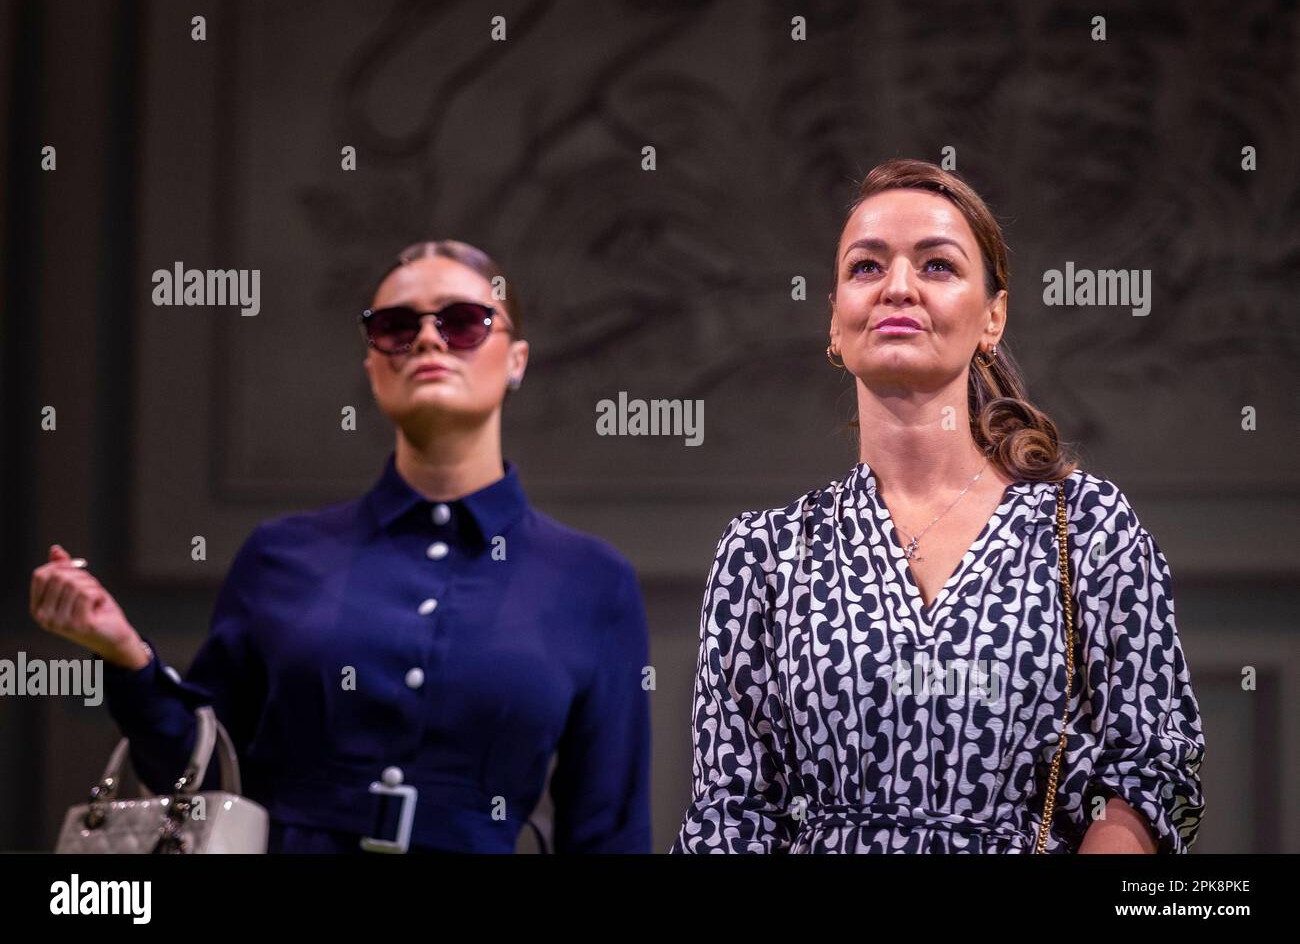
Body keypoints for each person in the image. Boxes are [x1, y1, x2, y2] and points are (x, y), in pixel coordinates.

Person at [31, 239, 652, 853]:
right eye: (396, 326)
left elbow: (609, 832)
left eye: (464, 321)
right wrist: (124, 656)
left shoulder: (592, 581)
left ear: (516, 359)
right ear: (373, 367)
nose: (429, 340)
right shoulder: (282, 555)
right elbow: (200, 778)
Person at [670, 160, 1205, 854]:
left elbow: (1157, 767)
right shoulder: (764, 554)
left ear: (993, 316)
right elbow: (728, 814)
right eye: (866, 267)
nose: (898, 286)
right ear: (835, 321)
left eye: (937, 265)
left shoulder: (1090, 530)